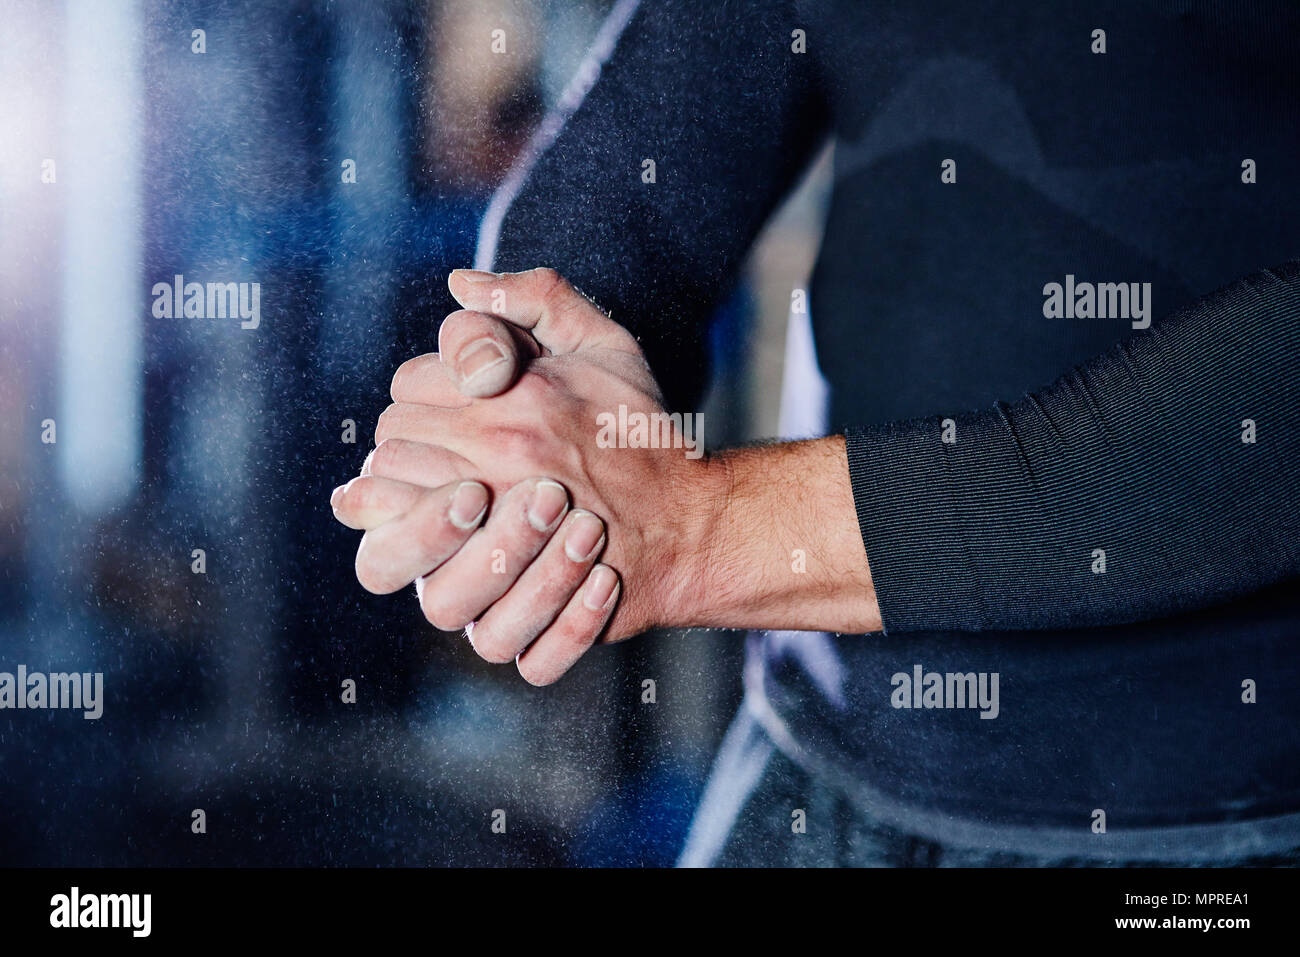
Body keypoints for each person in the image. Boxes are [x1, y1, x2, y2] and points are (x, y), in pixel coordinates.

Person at [331, 0, 1300, 865]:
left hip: (1231, 816)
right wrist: (526, 404)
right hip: (819, 760)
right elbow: (696, 85)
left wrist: (702, 532)